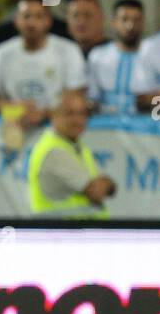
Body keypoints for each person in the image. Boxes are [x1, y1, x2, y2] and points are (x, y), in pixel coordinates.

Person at [0, 0, 87, 128]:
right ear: (16, 21)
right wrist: (12, 108)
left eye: (38, 16)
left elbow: (77, 96)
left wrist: (45, 113)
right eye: (26, 16)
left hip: (57, 128)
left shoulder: (68, 50)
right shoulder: (1, 53)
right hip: (14, 130)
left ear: (48, 21)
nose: (31, 23)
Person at [27, 90, 115, 218]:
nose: (78, 120)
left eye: (83, 114)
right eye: (70, 113)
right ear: (54, 114)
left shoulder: (76, 146)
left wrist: (106, 185)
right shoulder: (55, 151)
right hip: (60, 233)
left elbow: (105, 187)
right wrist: (106, 184)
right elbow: (97, 191)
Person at [89, 0, 149, 116]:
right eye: (124, 19)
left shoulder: (152, 56)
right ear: (114, 23)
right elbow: (91, 99)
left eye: (136, 20)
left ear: (143, 23)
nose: (130, 25)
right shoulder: (98, 56)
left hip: (144, 127)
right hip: (103, 127)